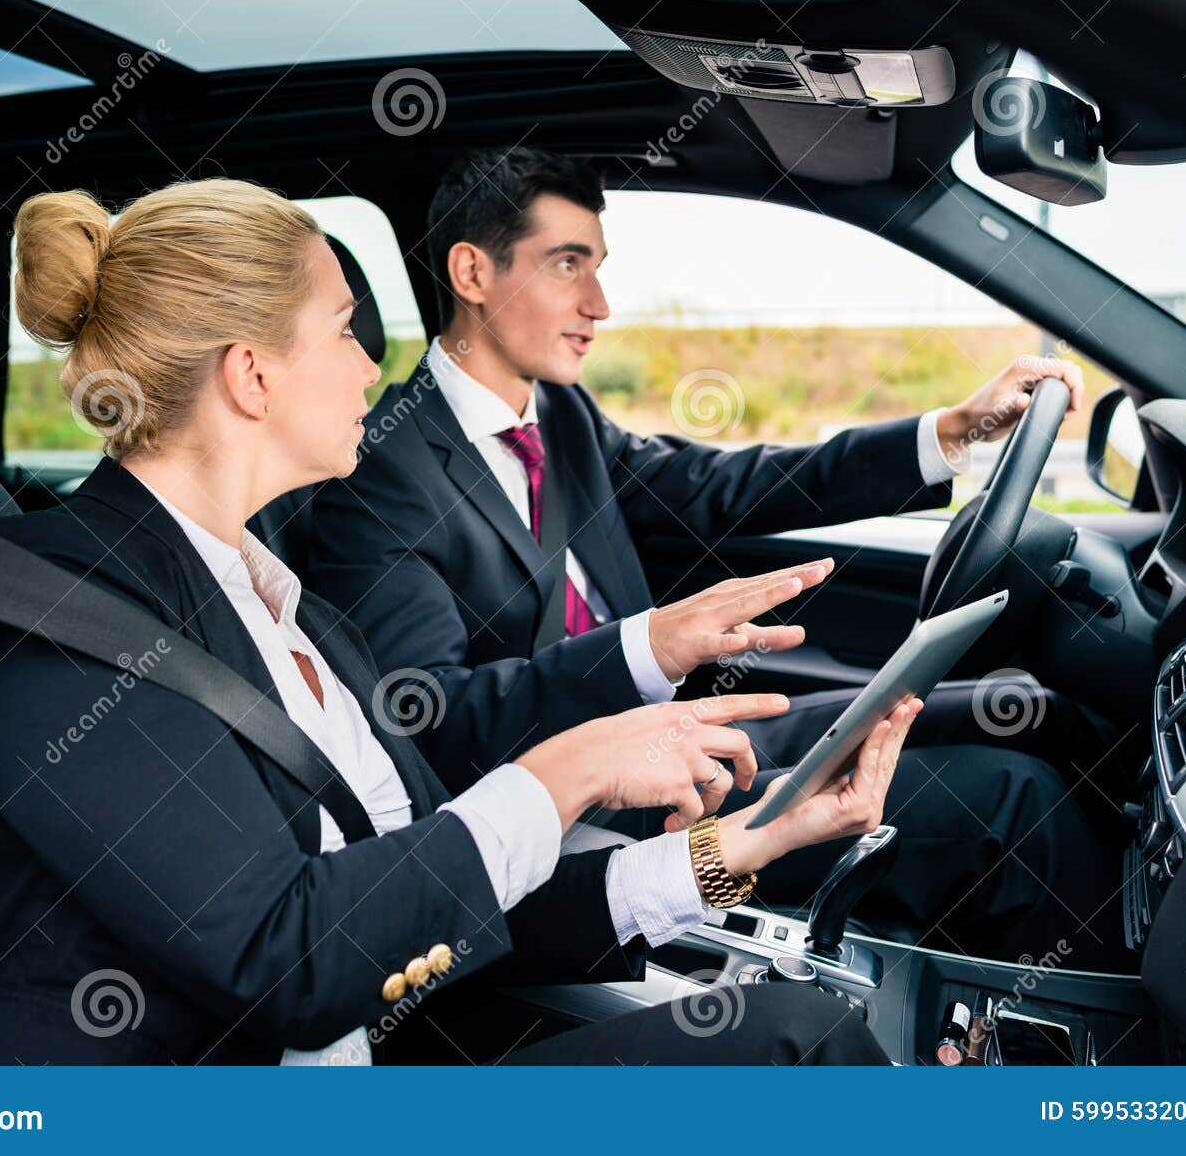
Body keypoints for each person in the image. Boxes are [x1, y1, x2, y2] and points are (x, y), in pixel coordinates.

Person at [0, 178, 923, 1066]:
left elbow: (426, 905)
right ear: (250, 374)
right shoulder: (51, 613)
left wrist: (729, 851)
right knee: (798, 1045)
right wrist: (570, 770)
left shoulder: (280, 604)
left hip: (391, 1050)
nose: (371, 368)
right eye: (347, 328)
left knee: (789, 1027)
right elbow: (290, 960)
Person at [305, 146, 1129, 968]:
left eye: (599, 268)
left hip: (698, 740)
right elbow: (432, 724)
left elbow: (716, 487)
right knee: (1013, 806)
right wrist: (643, 648)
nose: (600, 303)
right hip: (608, 808)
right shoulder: (378, 477)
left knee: (1036, 712)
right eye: (567, 266)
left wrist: (947, 433)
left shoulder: (560, 415)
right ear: (472, 272)